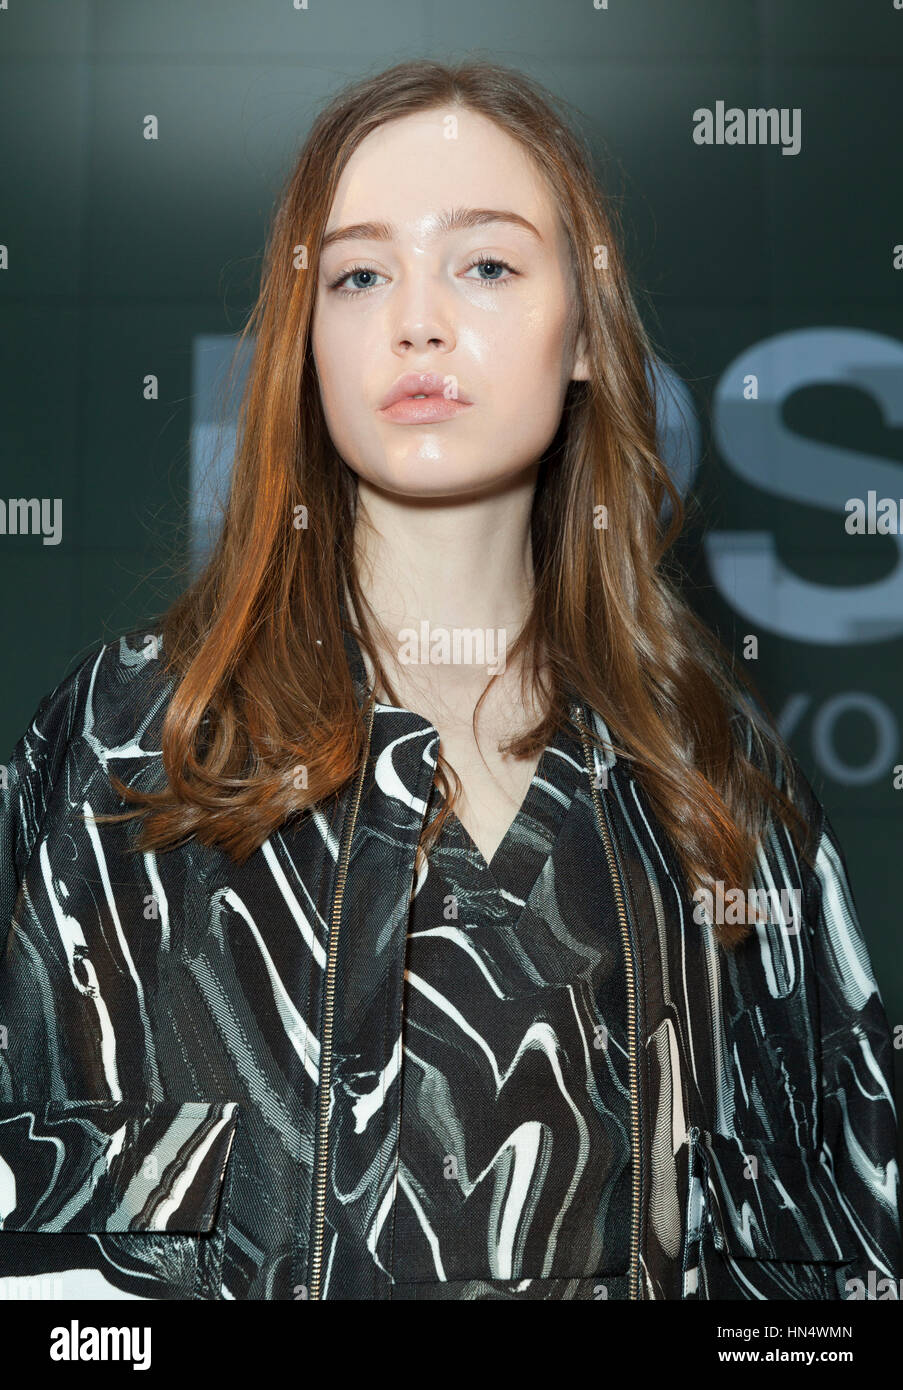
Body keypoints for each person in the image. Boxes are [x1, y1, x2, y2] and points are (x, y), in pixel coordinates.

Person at [0, 59, 899, 1302]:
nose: (417, 319)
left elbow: (834, 1256)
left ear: (584, 332)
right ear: (307, 341)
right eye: (360, 273)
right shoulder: (125, 741)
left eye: (485, 263)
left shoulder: (719, 780)